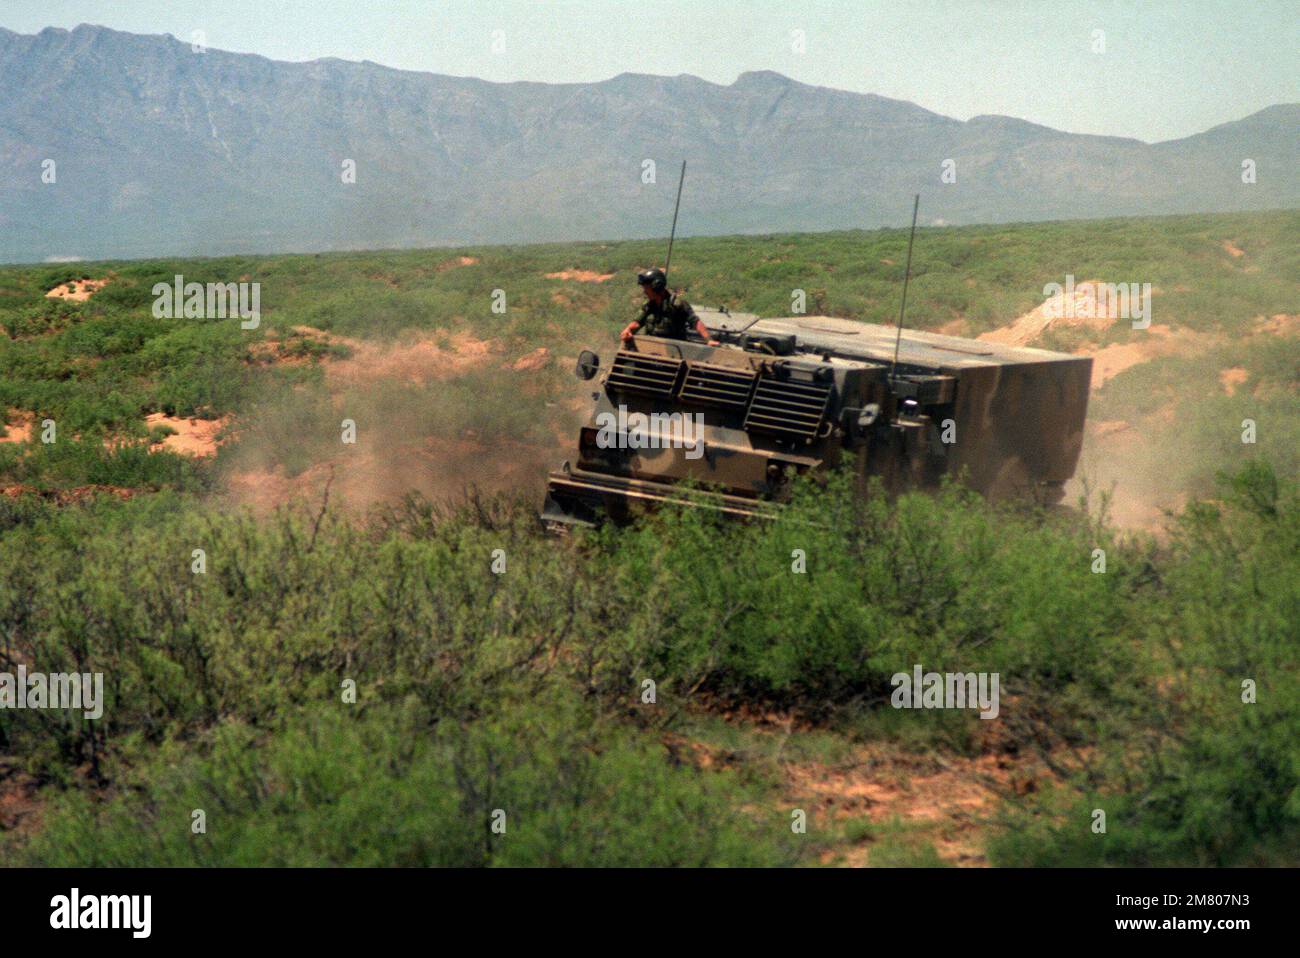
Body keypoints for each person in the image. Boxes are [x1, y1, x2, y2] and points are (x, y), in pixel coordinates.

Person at [620, 268, 719, 345]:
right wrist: (628, 330)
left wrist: (708, 340)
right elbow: (638, 322)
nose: (644, 292)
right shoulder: (650, 305)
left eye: (647, 288)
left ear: (656, 287)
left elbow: (695, 322)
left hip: (674, 350)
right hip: (652, 348)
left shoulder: (678, 304)